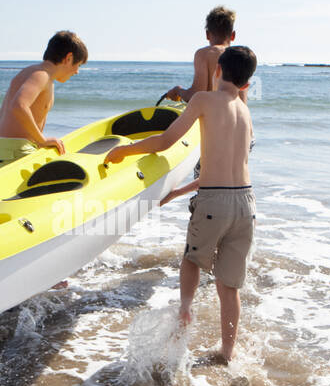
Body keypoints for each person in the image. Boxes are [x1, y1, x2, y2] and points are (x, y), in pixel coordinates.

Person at [106, 46, 257, 361]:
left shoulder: (203, 99)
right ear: (246, 84)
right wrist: (176, 193)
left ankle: (184, 313)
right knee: (229, 287)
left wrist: (125, 150)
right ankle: (227, 354)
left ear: (217, 71)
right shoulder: (245, 112)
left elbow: (165, 141)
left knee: (191, 259)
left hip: (214, 201)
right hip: (245, 204)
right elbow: (228, 171)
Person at [0, 31, 87, 174]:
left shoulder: (31, 71)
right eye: (78, 65)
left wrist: (37, 142)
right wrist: (42, 140)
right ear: (69, 58)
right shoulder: (42, 76)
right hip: (11, 151)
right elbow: (18, 106)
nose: (77, 71)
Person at [160, 5, 239, 105]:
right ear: (233, 35)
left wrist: (178, 90)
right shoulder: (242, 57)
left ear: (207, 34)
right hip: (239, 119)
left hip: (215, 119)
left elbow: (196, 94)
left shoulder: (204, 54)